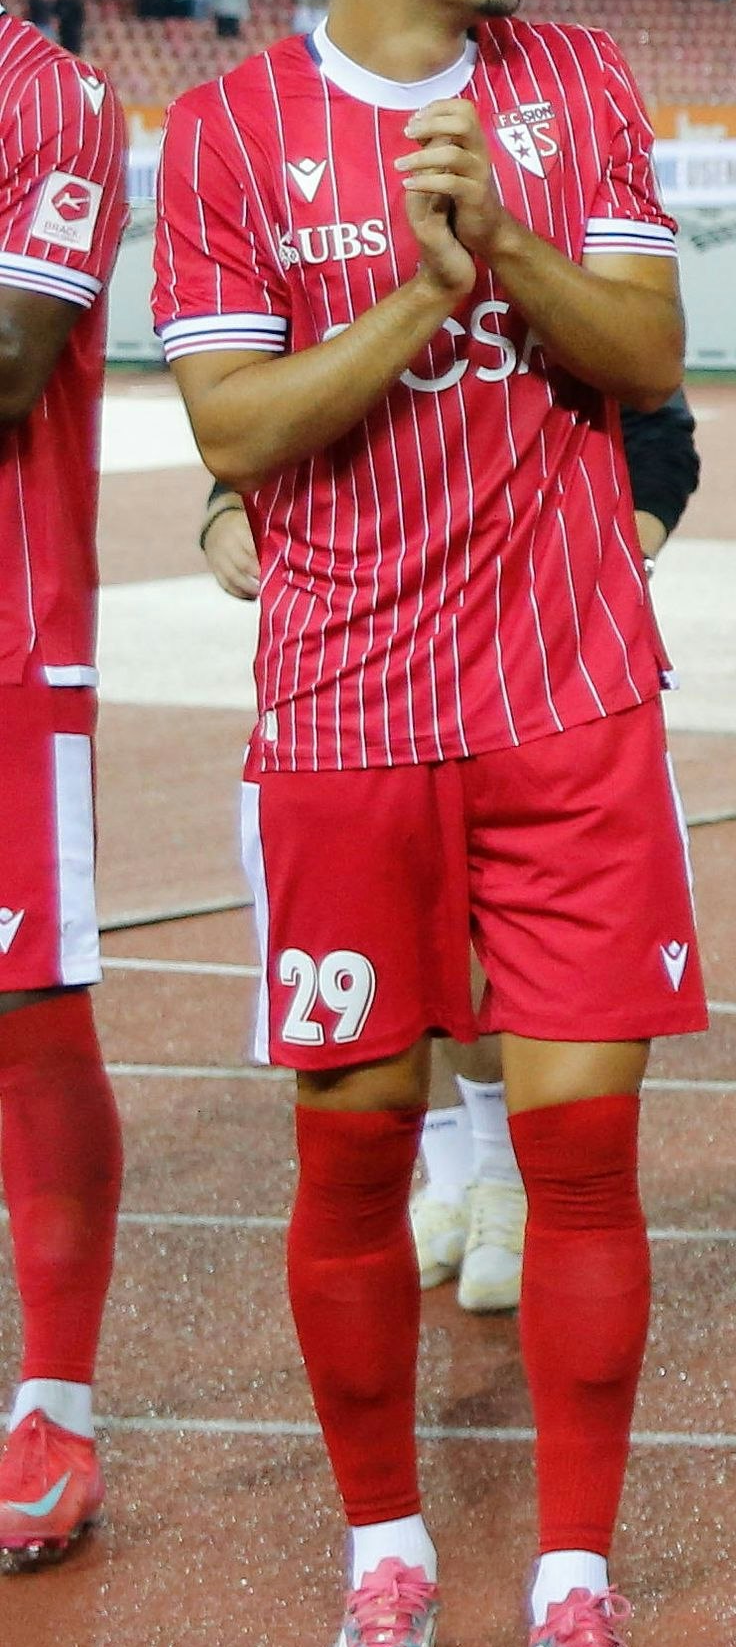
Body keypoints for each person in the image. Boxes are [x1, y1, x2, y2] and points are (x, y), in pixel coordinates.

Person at [154, 0, 695, 1647]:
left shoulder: (577, 88)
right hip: (348, 720)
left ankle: (572, 1579)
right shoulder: (223, 131)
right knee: (359, 1148)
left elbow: (644, 362)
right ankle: (386, 1550)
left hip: (569, 700)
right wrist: (418, 294)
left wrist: (514, 261)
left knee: (577, 1153)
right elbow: (234, 432)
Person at [205, 408, 706, 1321]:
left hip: (532, 664)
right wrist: (220, 512)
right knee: (391, 966)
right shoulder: (323, 274)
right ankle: (449, 1173)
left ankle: (504, 1182)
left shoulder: (555, 266)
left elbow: (656, 418)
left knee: (493, 955)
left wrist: (617, 540)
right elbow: (266, 404)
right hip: (364, 663)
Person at [0, 7, 128, 1571]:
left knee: (30, 1024)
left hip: (10, 644)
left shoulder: (48, 98)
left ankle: (55, 1404)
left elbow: (11, 360)